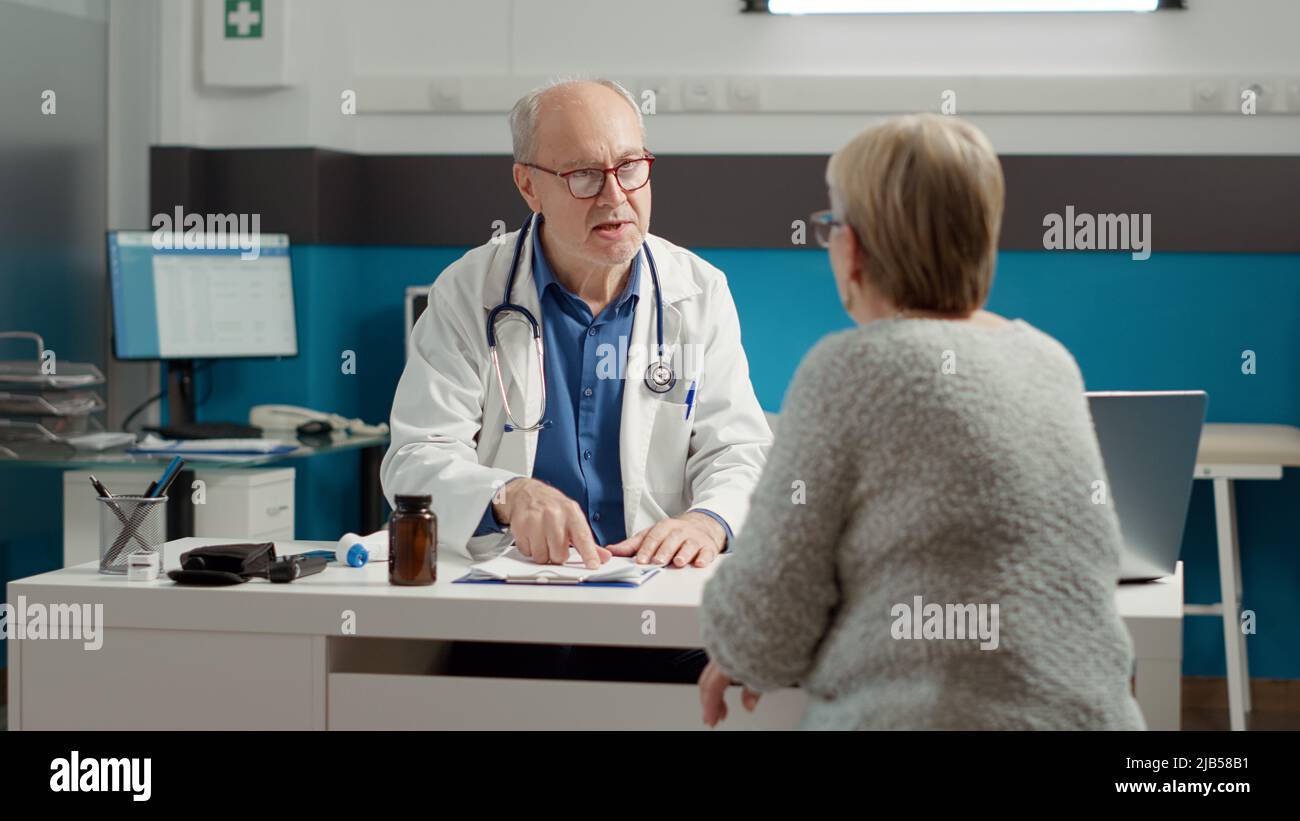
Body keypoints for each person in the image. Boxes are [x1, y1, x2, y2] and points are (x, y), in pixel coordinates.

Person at [697, 114, 1145, 730]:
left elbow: (764, 628)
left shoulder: (847, 369)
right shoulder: (1049, 360)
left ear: (851, 250)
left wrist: (738, 646)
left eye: (831, 227)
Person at [381, 78, 771, 573]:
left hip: (656, 589)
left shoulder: (697, 291)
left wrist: (707, 521)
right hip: (513, 593)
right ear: (528, 186)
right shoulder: (468, 292)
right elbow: (415, 458)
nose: (615, 196)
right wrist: (506, 493)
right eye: (585, 175)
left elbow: (738, 449)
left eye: (630, 168)